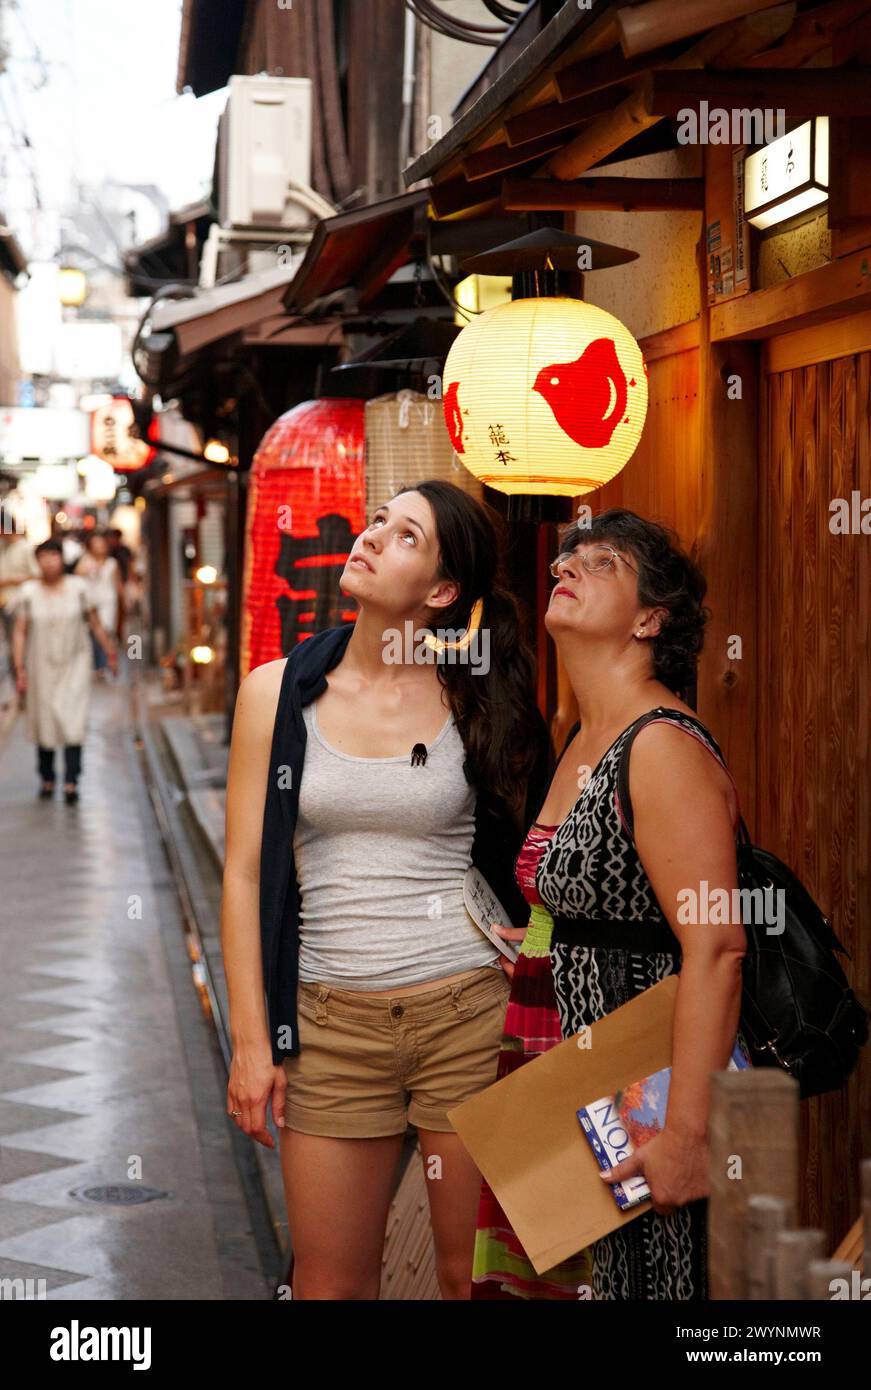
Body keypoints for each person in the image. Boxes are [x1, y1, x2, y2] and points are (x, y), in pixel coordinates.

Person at [220, 479, 552, 1300]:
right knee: (331, 1287)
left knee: (468, 1278)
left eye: (404, 535)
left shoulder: (476, 696)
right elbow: (241, 871)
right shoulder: (276, 693)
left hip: (464, 1014)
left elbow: (545, 851)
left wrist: (535, 941)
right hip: (329, 1025)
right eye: (377, 521)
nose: (369, 537)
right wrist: (252, 1043)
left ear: (442, 592)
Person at [519, 508, 746, 1301]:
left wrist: (687, 1135)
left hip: (645, 1092)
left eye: (602, 563)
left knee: (650, 1286)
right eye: (565, 561)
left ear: (650, 618)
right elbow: (586, 906)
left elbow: (716, 947)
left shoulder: (659, 745)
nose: (565, 568)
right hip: (567, 1087)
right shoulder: (582, 733)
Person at [12, 539, 118, 803]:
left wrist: (110, 653)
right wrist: (19, 668)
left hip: (75, 665)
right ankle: (47, 776)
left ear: (62, 558)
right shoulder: (28, 592)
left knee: (74, 722)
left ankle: (72, 779)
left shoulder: (79, 588)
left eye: (54, 555)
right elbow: (20, 632)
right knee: (44, 723)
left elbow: (94, 624)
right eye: (44, 556)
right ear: (37, 561)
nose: (49, 561)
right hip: (41, 668)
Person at [75, 530, 125, 667]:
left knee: (105, 629)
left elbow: (118, 583)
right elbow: (77, 577)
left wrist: (124, 601)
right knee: (94, 630)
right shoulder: (85, 561)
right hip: (91, 601)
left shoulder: (112, 563)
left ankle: (106, 660)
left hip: (108, 601)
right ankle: (103, 660)